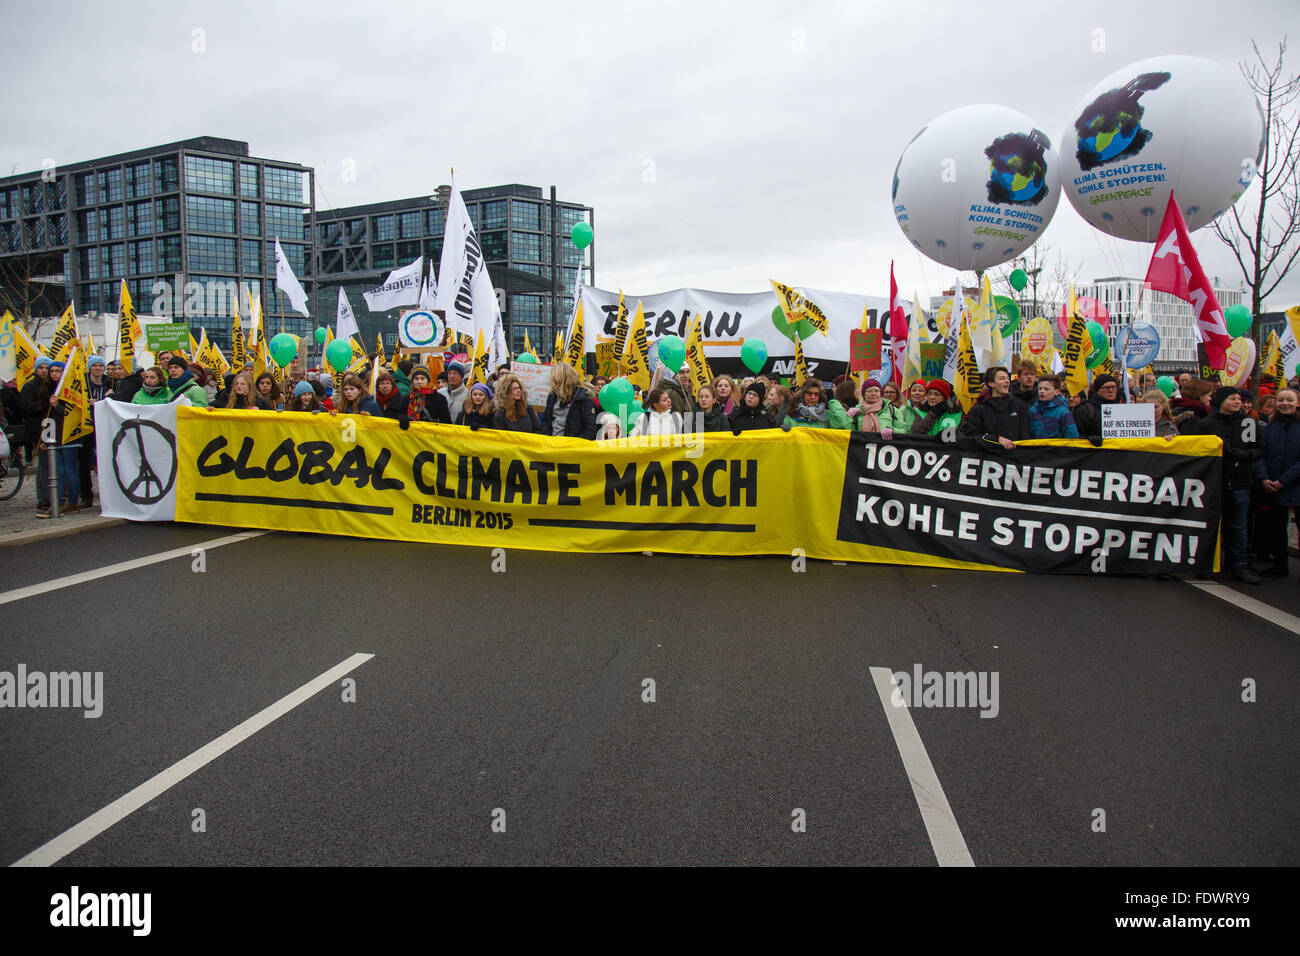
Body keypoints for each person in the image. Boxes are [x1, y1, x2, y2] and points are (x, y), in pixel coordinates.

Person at [1185, 386, 1264, 584]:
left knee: (1239, 526)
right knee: (1210, 524)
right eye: (1232, 398)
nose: (1237, 402)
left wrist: (1243, 456)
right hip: (1213, 482)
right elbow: (1196, 450)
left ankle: (1239, 564)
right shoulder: (1205, 424)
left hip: (1240, 481)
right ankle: (1206, 564)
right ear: (1220, 401)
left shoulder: (1248, 423)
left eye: (1239, 399)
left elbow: (1258, 449)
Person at [1255, 388, 1300, 578]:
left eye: (1289, 400)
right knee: (1277, 528)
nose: (1285, 403)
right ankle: (1280, 565)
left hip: (1294, 484)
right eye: (1281, 400)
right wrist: (1264, 478)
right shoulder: (1269, 426)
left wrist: (1283, 481)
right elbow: (1260, 454)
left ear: (1297, 403)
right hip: (1273, 484)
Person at [35, 361, 80, 515]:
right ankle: (56, 503)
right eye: (52, 371)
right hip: (53, 435)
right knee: (57, 473)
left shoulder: (71, 390)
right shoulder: (46, 389)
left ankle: (73, 502)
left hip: (68, 436)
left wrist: (57, 406)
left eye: (57, 371)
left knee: (70, 471)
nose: (54, 373)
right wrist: (43, 439)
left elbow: (72, 414)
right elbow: (46, 418)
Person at [962, 367, 1030, 448]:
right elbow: (972, 436)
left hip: (1015, 456)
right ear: (991, 383)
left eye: (1008, 378)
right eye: (1002, 378)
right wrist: (996, 439)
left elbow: (1026, 435)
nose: (1007, 381)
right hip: (989, 457)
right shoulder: (978, 409)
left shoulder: (1019, 406)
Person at [541, 363, 598, 439]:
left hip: (572, 448)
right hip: (552, 445)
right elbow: (546, 420)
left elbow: (590, 429)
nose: (552, 382)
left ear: (562, 380)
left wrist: (574, 444)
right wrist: (547, 438)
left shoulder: (583, 397)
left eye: (555, 380)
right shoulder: (552, 396)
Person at [1072, 373, 1121, 442]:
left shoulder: (1122, 410)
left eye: (1113, 387)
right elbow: (1074, 437)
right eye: (1106, 387)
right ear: (1098, 390)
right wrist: (1088, 439)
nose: (1111, 390)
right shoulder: (1084, 411)